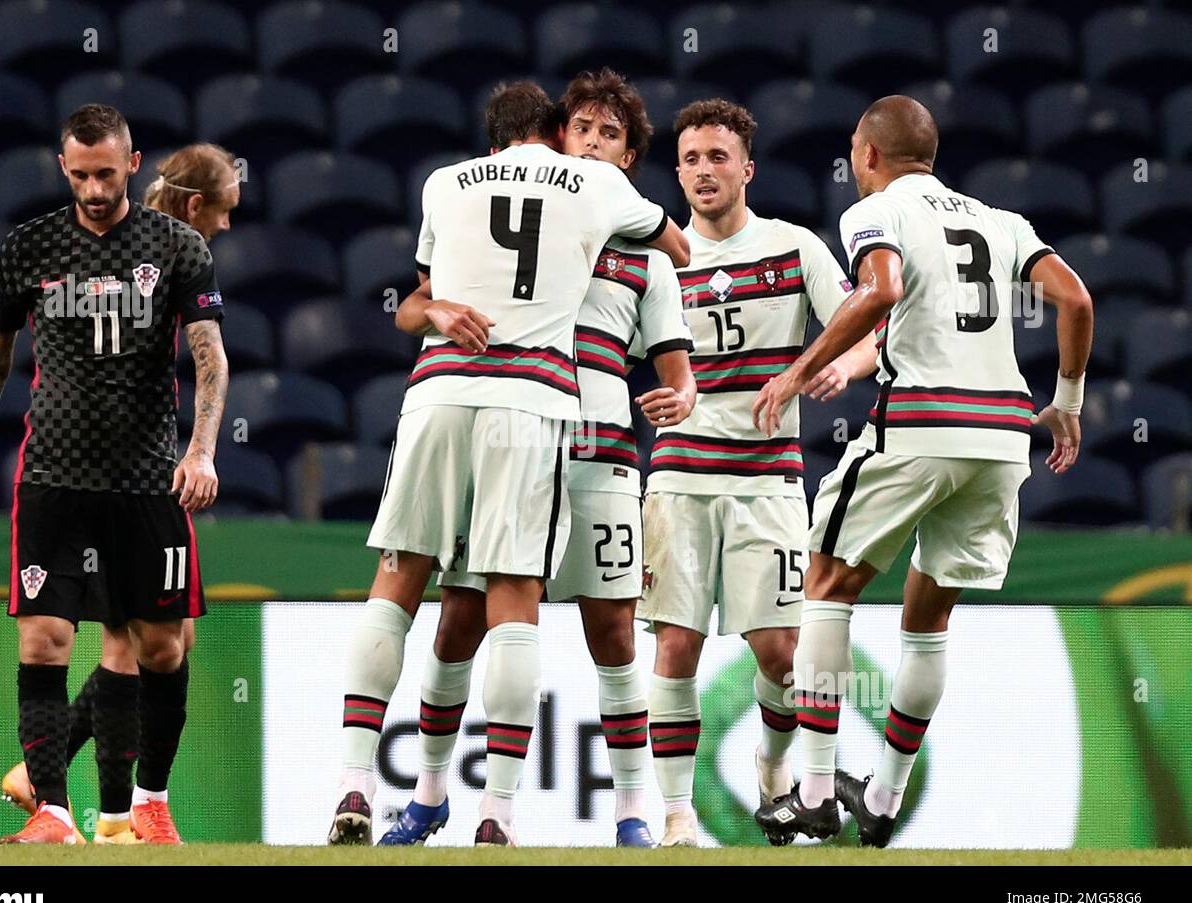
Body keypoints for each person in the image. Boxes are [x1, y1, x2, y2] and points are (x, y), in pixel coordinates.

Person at [328, 80, 690, 847]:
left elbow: (675, 352)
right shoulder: (583, 199)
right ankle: (453, 802)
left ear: (630, 153)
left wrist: (680, 397)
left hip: (587, 452)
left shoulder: (455, 185)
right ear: (559, 134)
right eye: (582, 127)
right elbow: (417, 303)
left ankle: (637, 813)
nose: (593, 142)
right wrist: (432, 307)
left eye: (609, 133)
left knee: (611, 635)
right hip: (534, 416)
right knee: (471, 615)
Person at [752, 95, 1092, 846]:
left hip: (922, 422)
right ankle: (881, 799)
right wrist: (1066, 401)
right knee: (929, 620)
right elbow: (1074, 297)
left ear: (868, 154)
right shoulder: (1002, 222)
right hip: (1003, 438)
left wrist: (796, 370)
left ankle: (813, 792)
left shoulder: (878, 211)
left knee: (826, 585)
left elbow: (879, 289)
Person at [0, 105, 230, 844]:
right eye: (79, 175)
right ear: (62, 168)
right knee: (43, 640)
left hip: (146, 482)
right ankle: (50, 812)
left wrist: (200, 449)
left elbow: (209, 355)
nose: (94, 188)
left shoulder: (175, 246)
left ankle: (149, 802)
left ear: (133, 164)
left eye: (106, 173)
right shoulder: (30, 246)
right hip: (53, 477)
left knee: (161, 648)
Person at [637, 99, 878, 846]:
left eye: (718, 157)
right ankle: (677, 814)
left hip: (768, 481)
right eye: (691, 160)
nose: (704, 171)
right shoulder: (656, 260)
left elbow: (868, 328)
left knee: (780, 654)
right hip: (679, 477)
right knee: (674, 645)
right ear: (676, 173)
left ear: (748, 167)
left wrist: (841, 364)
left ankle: (774, 768)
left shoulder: (794, 246)